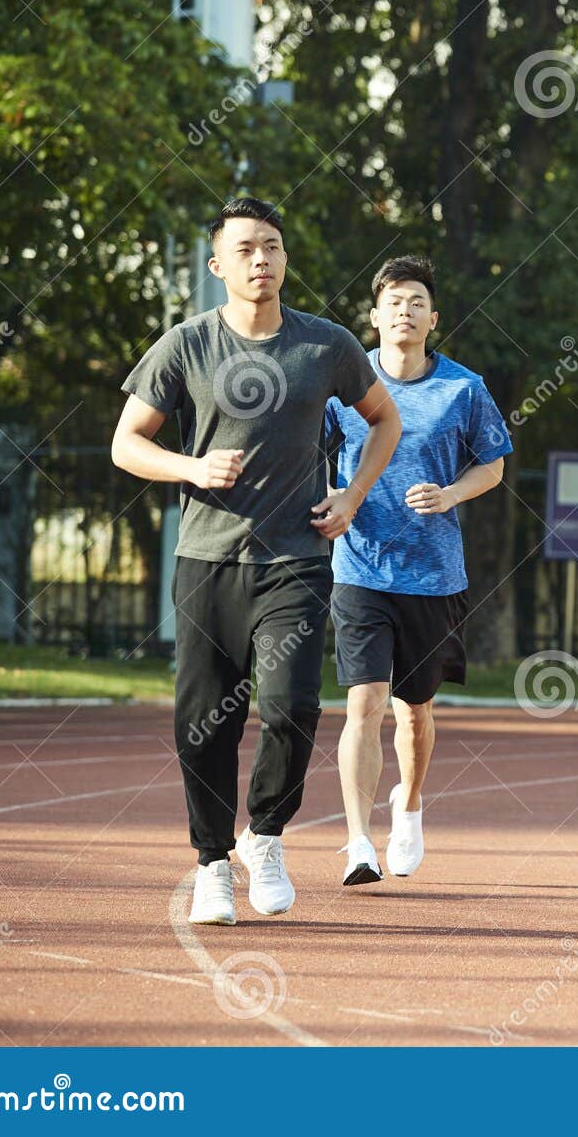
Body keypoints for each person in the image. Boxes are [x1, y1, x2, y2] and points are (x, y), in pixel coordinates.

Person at [112, 197, 401, 926]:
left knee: (293, 706)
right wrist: (190, 468)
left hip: (296, 558)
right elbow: (126, 443)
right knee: (203, 722)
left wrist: (354, 495)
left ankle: (265, 836)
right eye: (244, 249)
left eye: (270, 246)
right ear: (218, 266)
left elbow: (383, 419)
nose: (261, 259)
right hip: (207, 561)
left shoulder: (326, 344)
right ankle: (212, 862)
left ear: (284, 257)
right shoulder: (185, 345)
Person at [328, 255, 511, 887]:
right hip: (359, 567)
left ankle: (407, 805)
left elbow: (494, 465)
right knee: (364, 702)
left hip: (433, 575)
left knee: (414, 711)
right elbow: (315, 460)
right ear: (373, 316)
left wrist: (452, 494)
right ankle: (357, 842)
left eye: (415, 302)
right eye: (392, 301)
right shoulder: (344, 389)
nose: (403, 310)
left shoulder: (463, 388)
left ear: (433, 318)